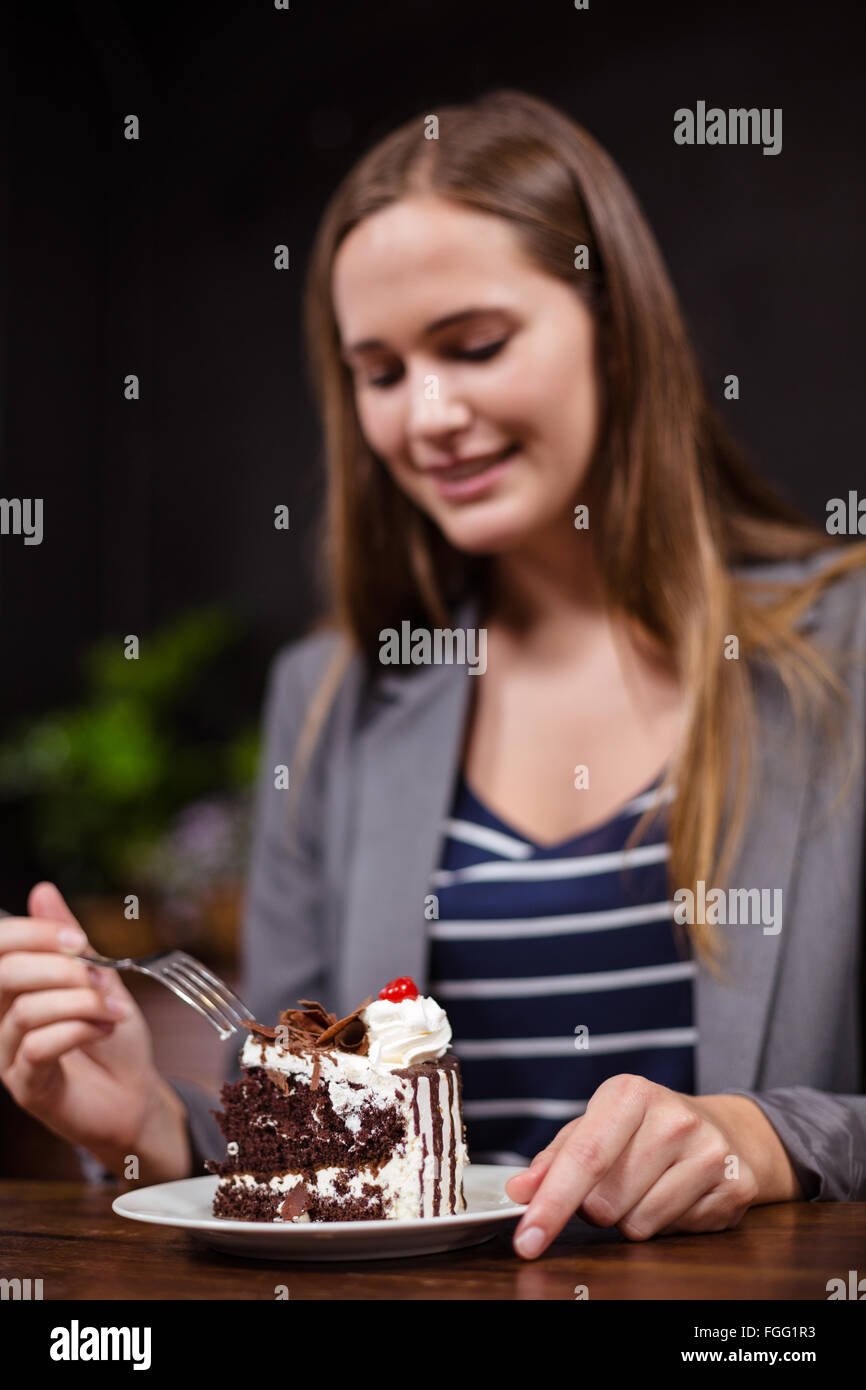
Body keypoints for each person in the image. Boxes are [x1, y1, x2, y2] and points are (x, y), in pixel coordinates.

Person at [2, 90, 865, 1262]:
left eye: (473, 346)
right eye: (379, 370)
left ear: (615, 327)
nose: (429, 416)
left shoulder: (844, 650)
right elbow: (304, 1152)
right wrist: (150, 1120)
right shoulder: (328, 703)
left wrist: (772, 1139)